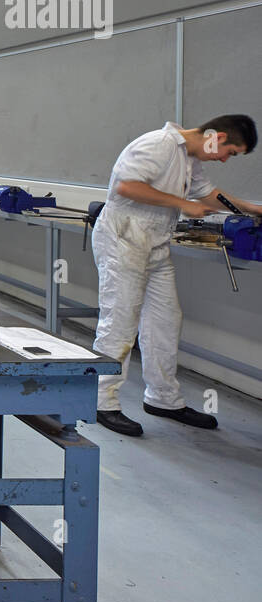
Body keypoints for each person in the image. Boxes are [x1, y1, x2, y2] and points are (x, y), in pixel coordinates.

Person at [92, 115, 260, 437]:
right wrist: (182, 204)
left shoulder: (188, 158)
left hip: (155, 242)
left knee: (166, 319)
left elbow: (209, 194)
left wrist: (253, 209)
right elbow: (125, 186)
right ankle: (101, 400)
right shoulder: (158, 144)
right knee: (120, 321)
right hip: (124, 238)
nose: (225, 159)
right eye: (230, 152)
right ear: (217, 137)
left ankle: (163, 399)